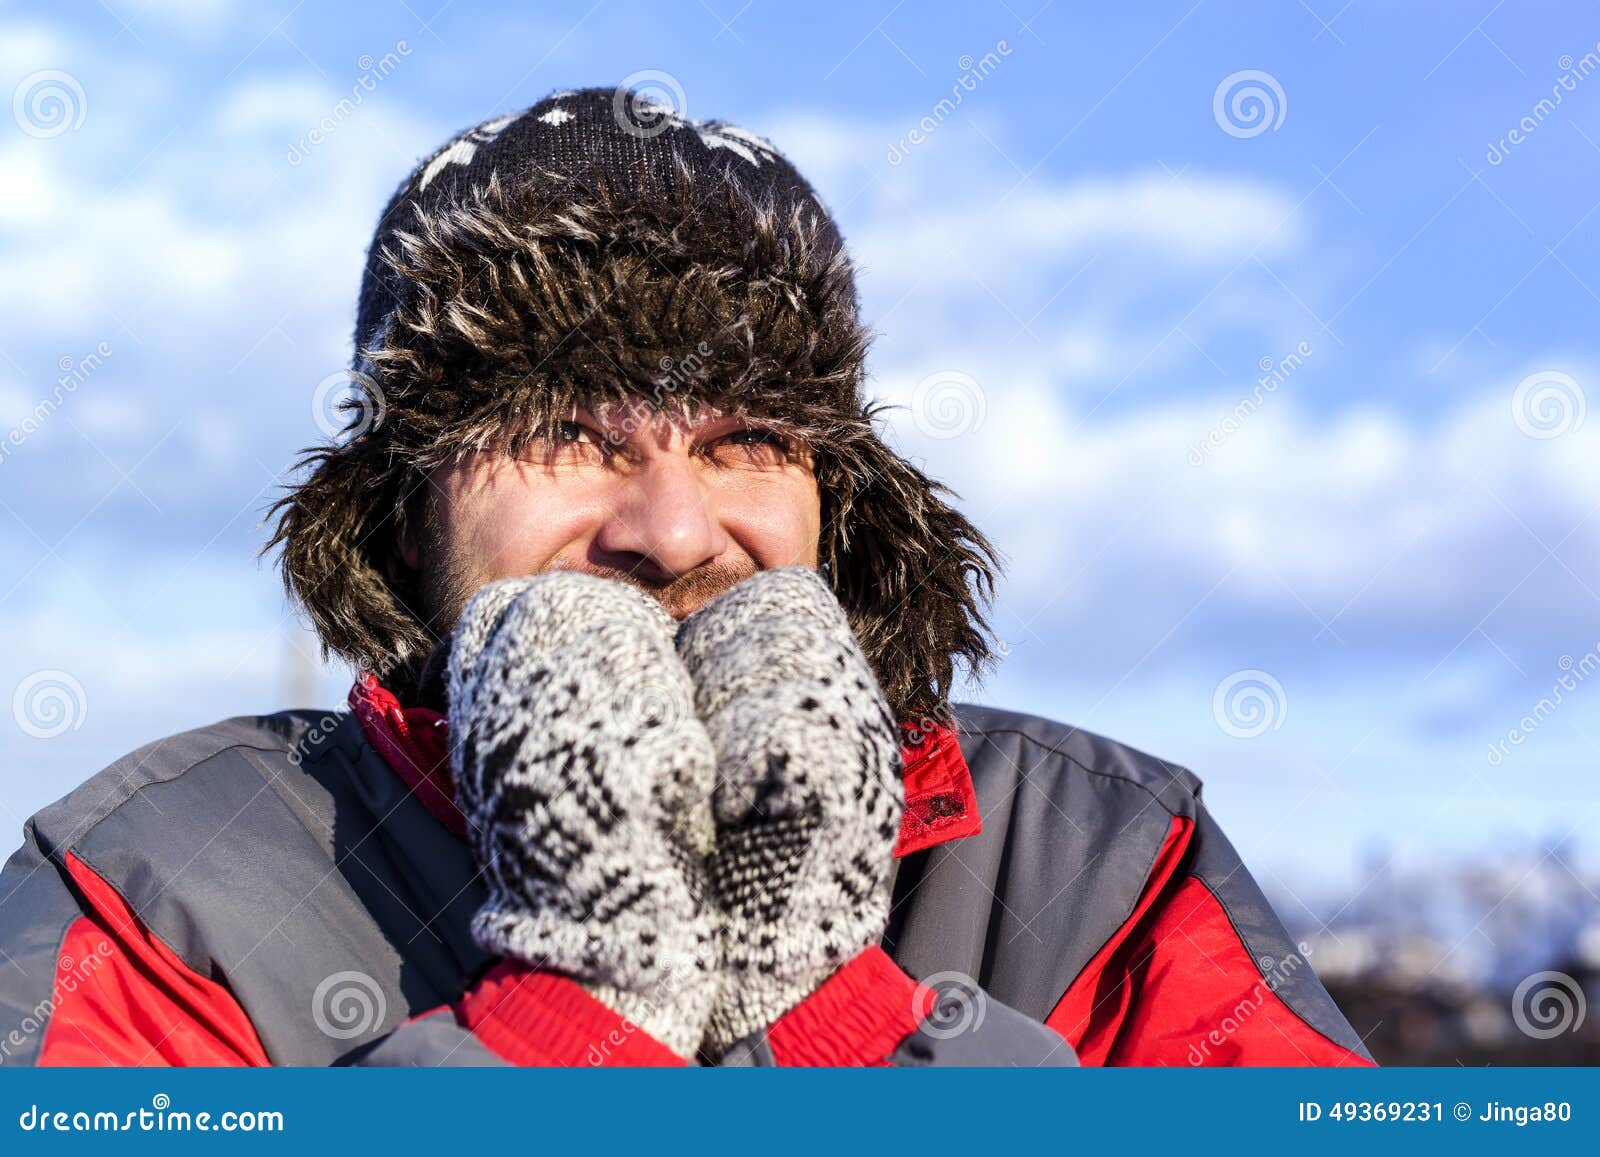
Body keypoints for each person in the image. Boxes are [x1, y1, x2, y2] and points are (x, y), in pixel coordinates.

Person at [0, 87, 1371, 1067]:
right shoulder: (155, 901)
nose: (671, 527)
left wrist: (831, 1012)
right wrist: (576, 1022)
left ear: (841, 497)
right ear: (402, 507)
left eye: (747, 439)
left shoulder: (1098, 863)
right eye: (564, 433)